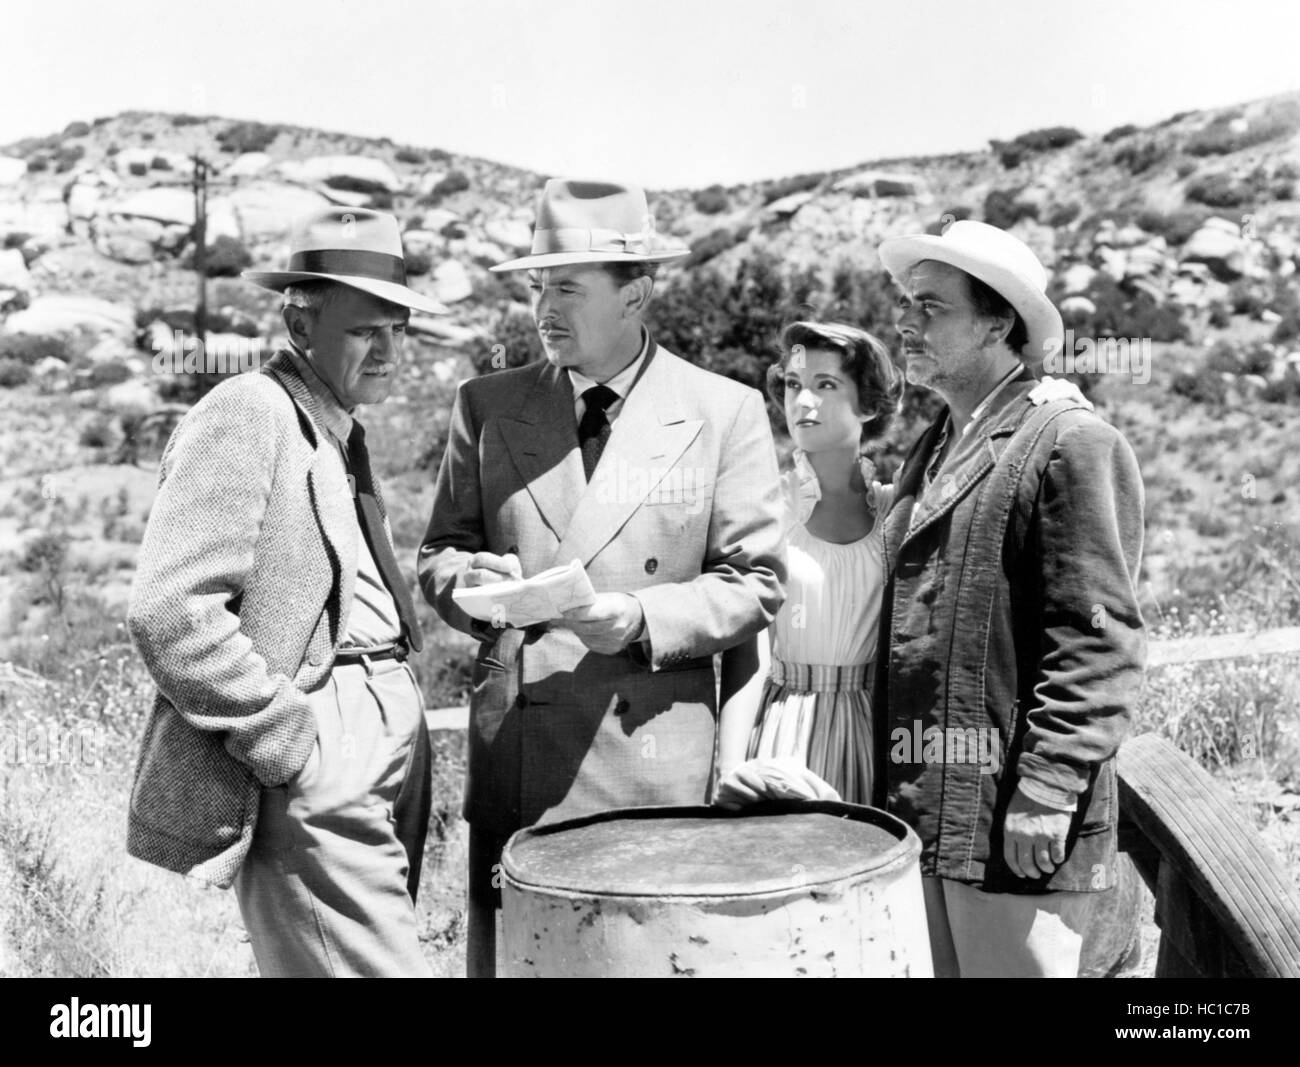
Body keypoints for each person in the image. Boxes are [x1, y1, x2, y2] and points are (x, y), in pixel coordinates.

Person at [418, 178, 786, 977]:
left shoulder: (722, 411)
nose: (544, 307)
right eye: (537, 285)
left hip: (650, 764)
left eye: (568, 288)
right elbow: (438, 556)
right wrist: (469, 580)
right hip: (521, 761)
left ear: (638, 295)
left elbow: (757, 580)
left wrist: (641, 617)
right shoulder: (485, 406)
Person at [126, 207, 447, 977]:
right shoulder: (249, 410)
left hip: (386, 735)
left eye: (396, 331)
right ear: (301, 321)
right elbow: (170, 609)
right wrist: (288, 741)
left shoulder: (336, 428)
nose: (388, 351)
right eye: (367, 330)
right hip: (321, 744)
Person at [873, 219, 1146, 977]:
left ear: (1000, 322)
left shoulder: (1070, 441)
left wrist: (1050, 787)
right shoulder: (935, 445)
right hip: (928, 805)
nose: (904, 322)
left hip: (1010, 819)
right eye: (904, 305)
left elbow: (1099, 637)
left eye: (930, 308)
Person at [715, 322, 902, 808]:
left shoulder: (897, 514)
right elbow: (748, 651)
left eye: (826, 385)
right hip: (784, 732)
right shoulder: (767, 508)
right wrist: (730, 769)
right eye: (795, 384)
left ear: (870, 404)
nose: (803, 401)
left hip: (872, 733)